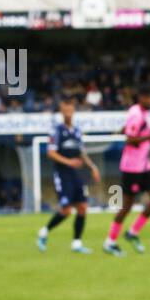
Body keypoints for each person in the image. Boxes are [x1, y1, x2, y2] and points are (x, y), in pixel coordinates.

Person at [104, 86, 150, 256]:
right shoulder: (135, 113)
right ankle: (110, 241)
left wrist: (148, 135)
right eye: (148, 98)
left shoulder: (145, 114)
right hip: (132, 167)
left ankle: (132, 232)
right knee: (127, 206)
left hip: (144, 165)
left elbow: (130, 130)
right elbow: (130, 140)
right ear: (141, 97)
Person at [38, 96, 100, 254]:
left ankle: (77, 243)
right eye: (65, 110)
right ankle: (44, 232)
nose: (68, 112)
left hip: (75, 173)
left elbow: (81, 151)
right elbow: (51, 153)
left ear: (73, 111)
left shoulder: (77, 131)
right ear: (61, 111)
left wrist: (92, 166)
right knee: (66, 210)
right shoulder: (56, 130)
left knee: (82, 207)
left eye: (70, 109)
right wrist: (68, 162)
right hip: (62, 173)